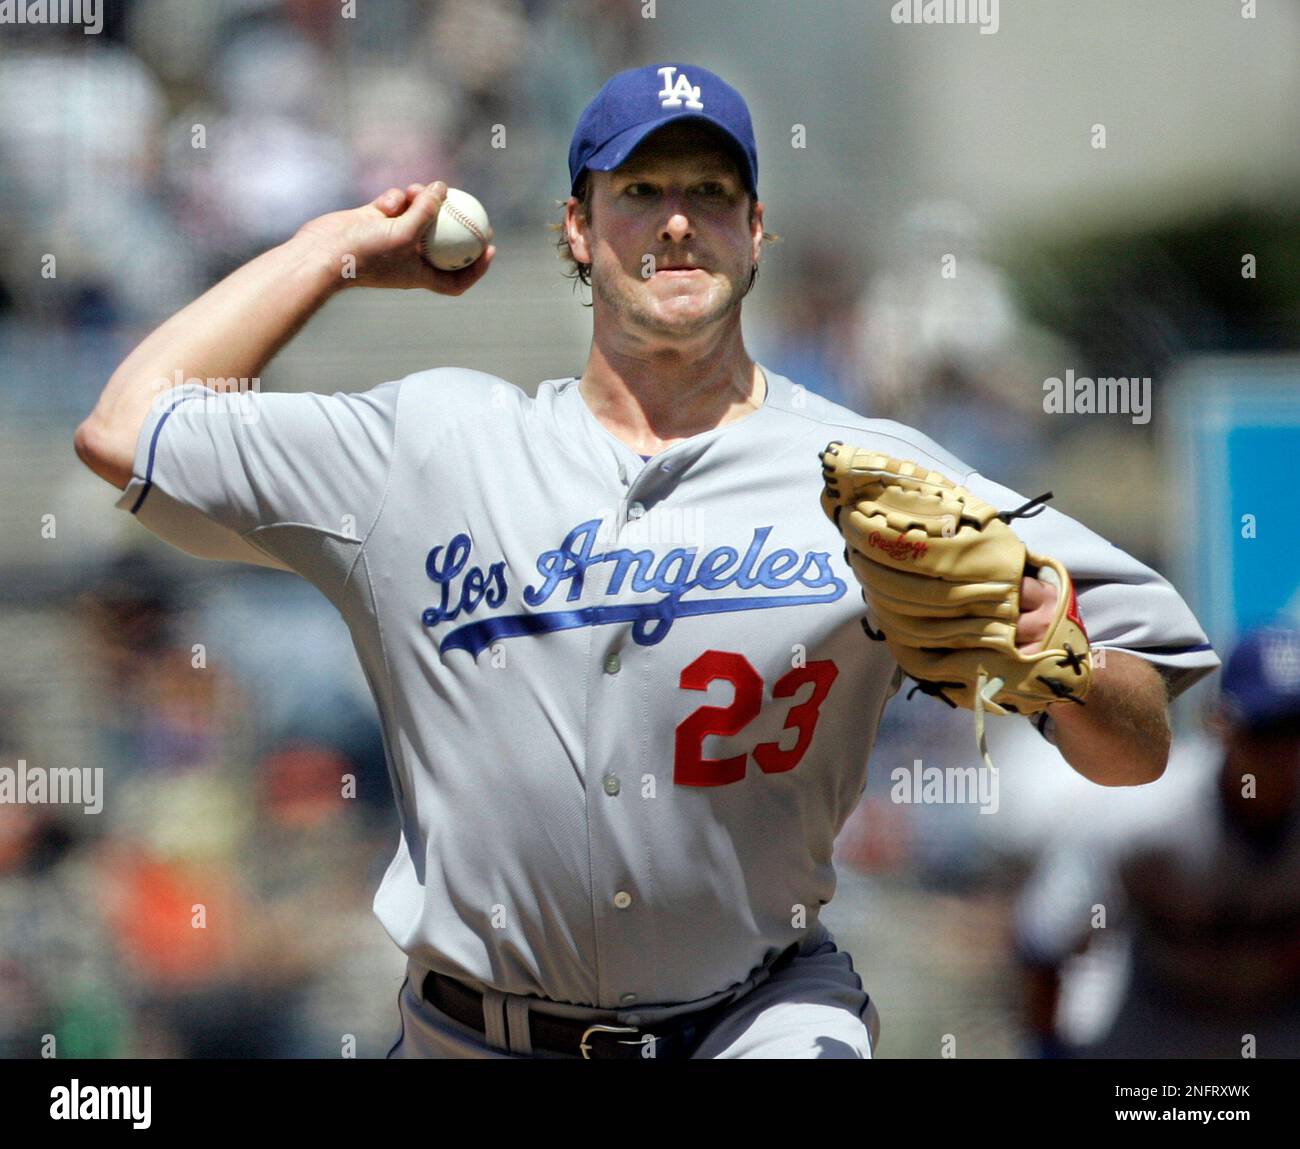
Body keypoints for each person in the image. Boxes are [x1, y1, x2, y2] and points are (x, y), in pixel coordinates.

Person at [74, 62, 1219, 1059]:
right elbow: (126, 429)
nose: (677, 222)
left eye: (710, 194)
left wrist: (1058, 664)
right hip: (472, 1036)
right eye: (640, 192)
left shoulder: (871, 472)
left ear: (756, 231)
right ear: (576, 227)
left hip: (759, 1021)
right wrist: (328, 250)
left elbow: (1137, 746)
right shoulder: (428, 447)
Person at [1016, 623, 1300, 1058]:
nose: (1286, 756)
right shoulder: (1146, 812)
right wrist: (1047, 1049)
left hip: (1277, 1023)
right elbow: (1044, 940)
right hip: (1155, 1025)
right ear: (1221, 725)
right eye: (1268, 733)